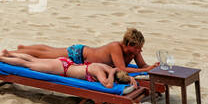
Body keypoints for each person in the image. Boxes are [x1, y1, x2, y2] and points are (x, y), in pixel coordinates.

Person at [0, 49, 136, 93]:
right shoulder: (101, 71)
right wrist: (112, 75)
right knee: (29, 65)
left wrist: (131, 80)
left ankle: (8, 54)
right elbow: (109, 85)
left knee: (32, 60)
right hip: (63, 68)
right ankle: (2, 59)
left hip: (66, 63)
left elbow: (124, 75)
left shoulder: (109, 68)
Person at [14, 28, 150, 73]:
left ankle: (25, 48)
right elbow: (121, 69)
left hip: (83, 53)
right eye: (137, 47)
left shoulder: (133, 52)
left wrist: (152, 68)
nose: (139, 50)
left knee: (49, 50)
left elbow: (143, 66)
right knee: (44, 55)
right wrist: (144, 71)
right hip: (79, 54)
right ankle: (15, 53)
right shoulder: (116, 47)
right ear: (127, 44)